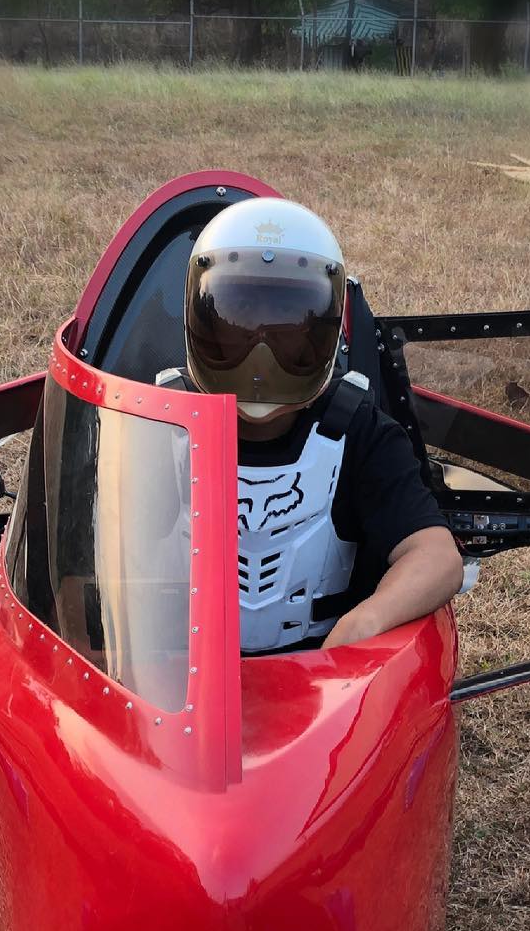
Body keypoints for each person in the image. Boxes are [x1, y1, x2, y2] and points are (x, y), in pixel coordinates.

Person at [156, 197, 464, 654]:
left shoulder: (360, 432)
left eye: (287, 330)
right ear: (199, 321)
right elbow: (91, 557)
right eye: (239, 322)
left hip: (324, 676)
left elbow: (437, 557)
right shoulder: (156, 424)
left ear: (327, 331)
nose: (261, 362)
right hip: (178, 675)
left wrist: (362, 625)